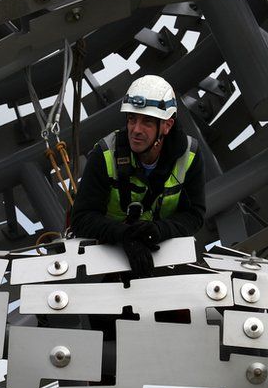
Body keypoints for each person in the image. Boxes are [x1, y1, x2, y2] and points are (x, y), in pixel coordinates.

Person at [70, 75, 205, 277]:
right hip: (108, 257)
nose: (136, 130)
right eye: (132, 119)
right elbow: (82, 218)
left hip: (164, 256)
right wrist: (124, 235)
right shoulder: (105, 153)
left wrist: (159, 231)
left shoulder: (190, 156)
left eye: (147, 122)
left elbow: (194, 214)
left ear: (167, 125)